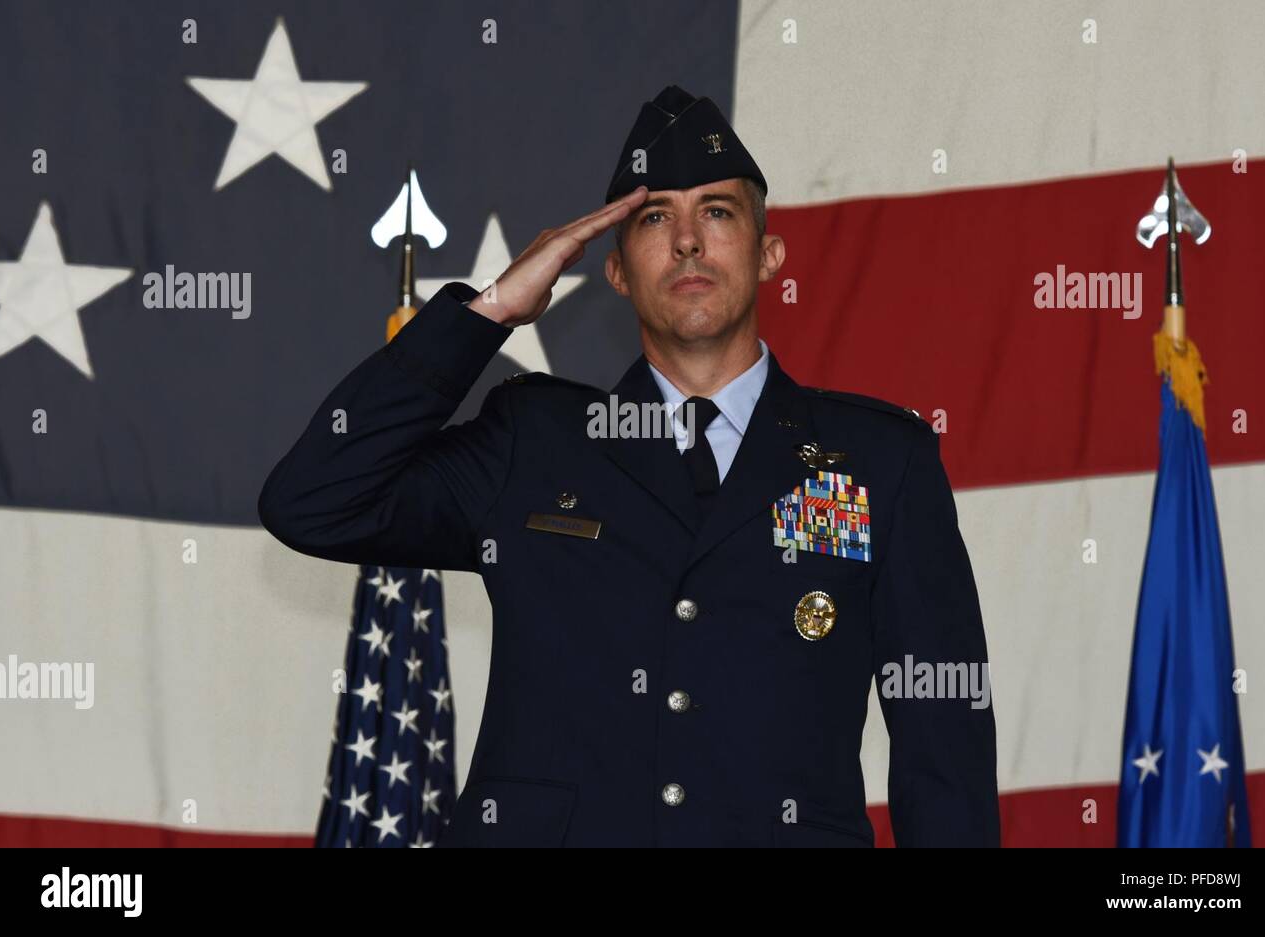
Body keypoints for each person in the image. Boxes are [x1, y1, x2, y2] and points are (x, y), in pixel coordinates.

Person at [258, 84, 1000, 847]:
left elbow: (944, 748)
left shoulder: (881, 461)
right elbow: (313, 499)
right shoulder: (535, 440)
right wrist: (486, 313)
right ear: (615, 272)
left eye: (716, 212)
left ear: (769, 254)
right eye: (655, 219)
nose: (687, 242)